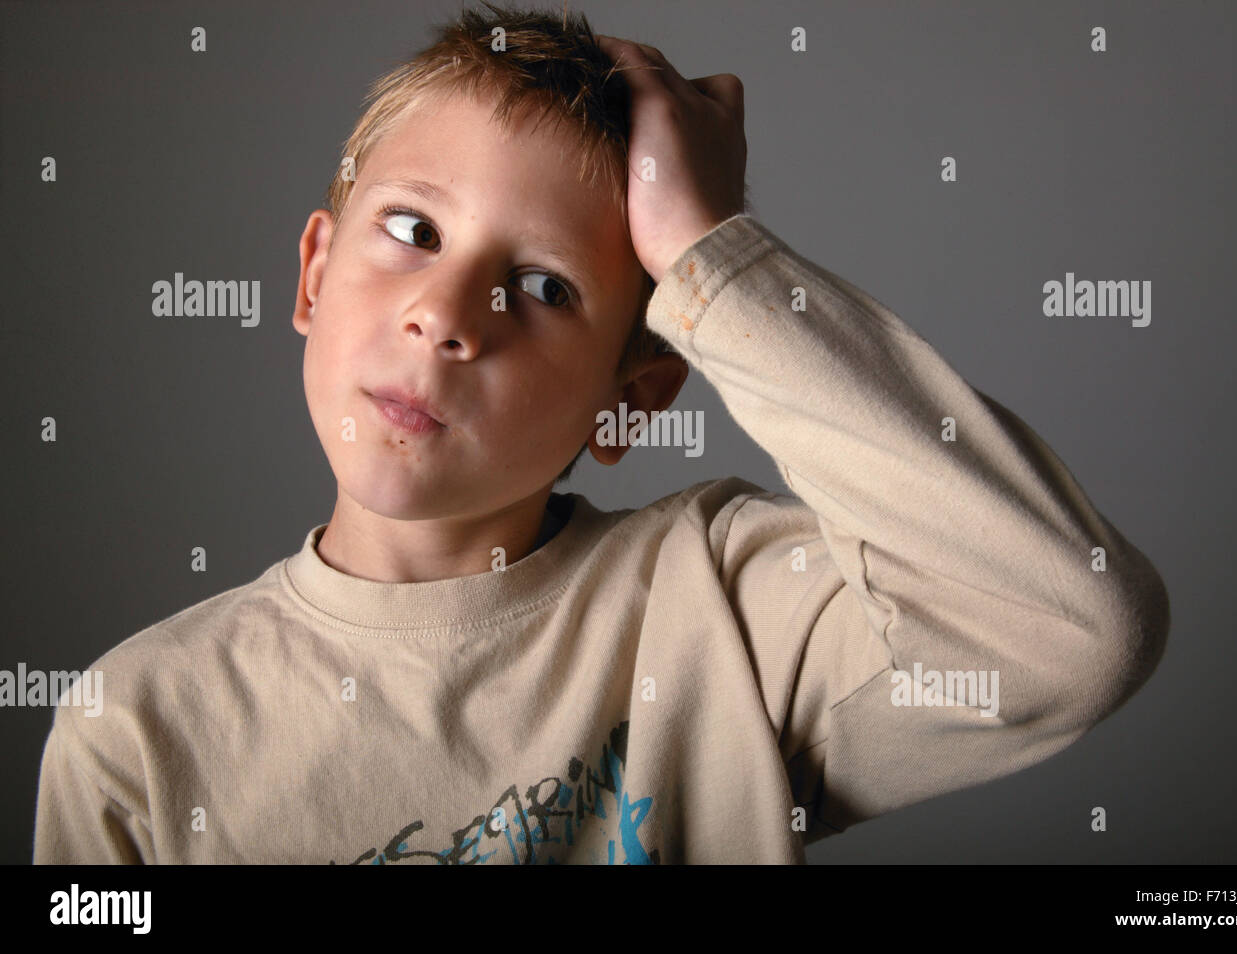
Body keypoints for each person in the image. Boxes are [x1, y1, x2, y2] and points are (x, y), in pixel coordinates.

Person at [33, 3, 1169, 864]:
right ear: (314, 275)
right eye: (414, 230)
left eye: (542, 287)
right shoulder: (137, 732)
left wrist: (707, 255)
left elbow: (1072, 630)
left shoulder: (723, 612)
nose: (446, 315)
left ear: (634, 399)